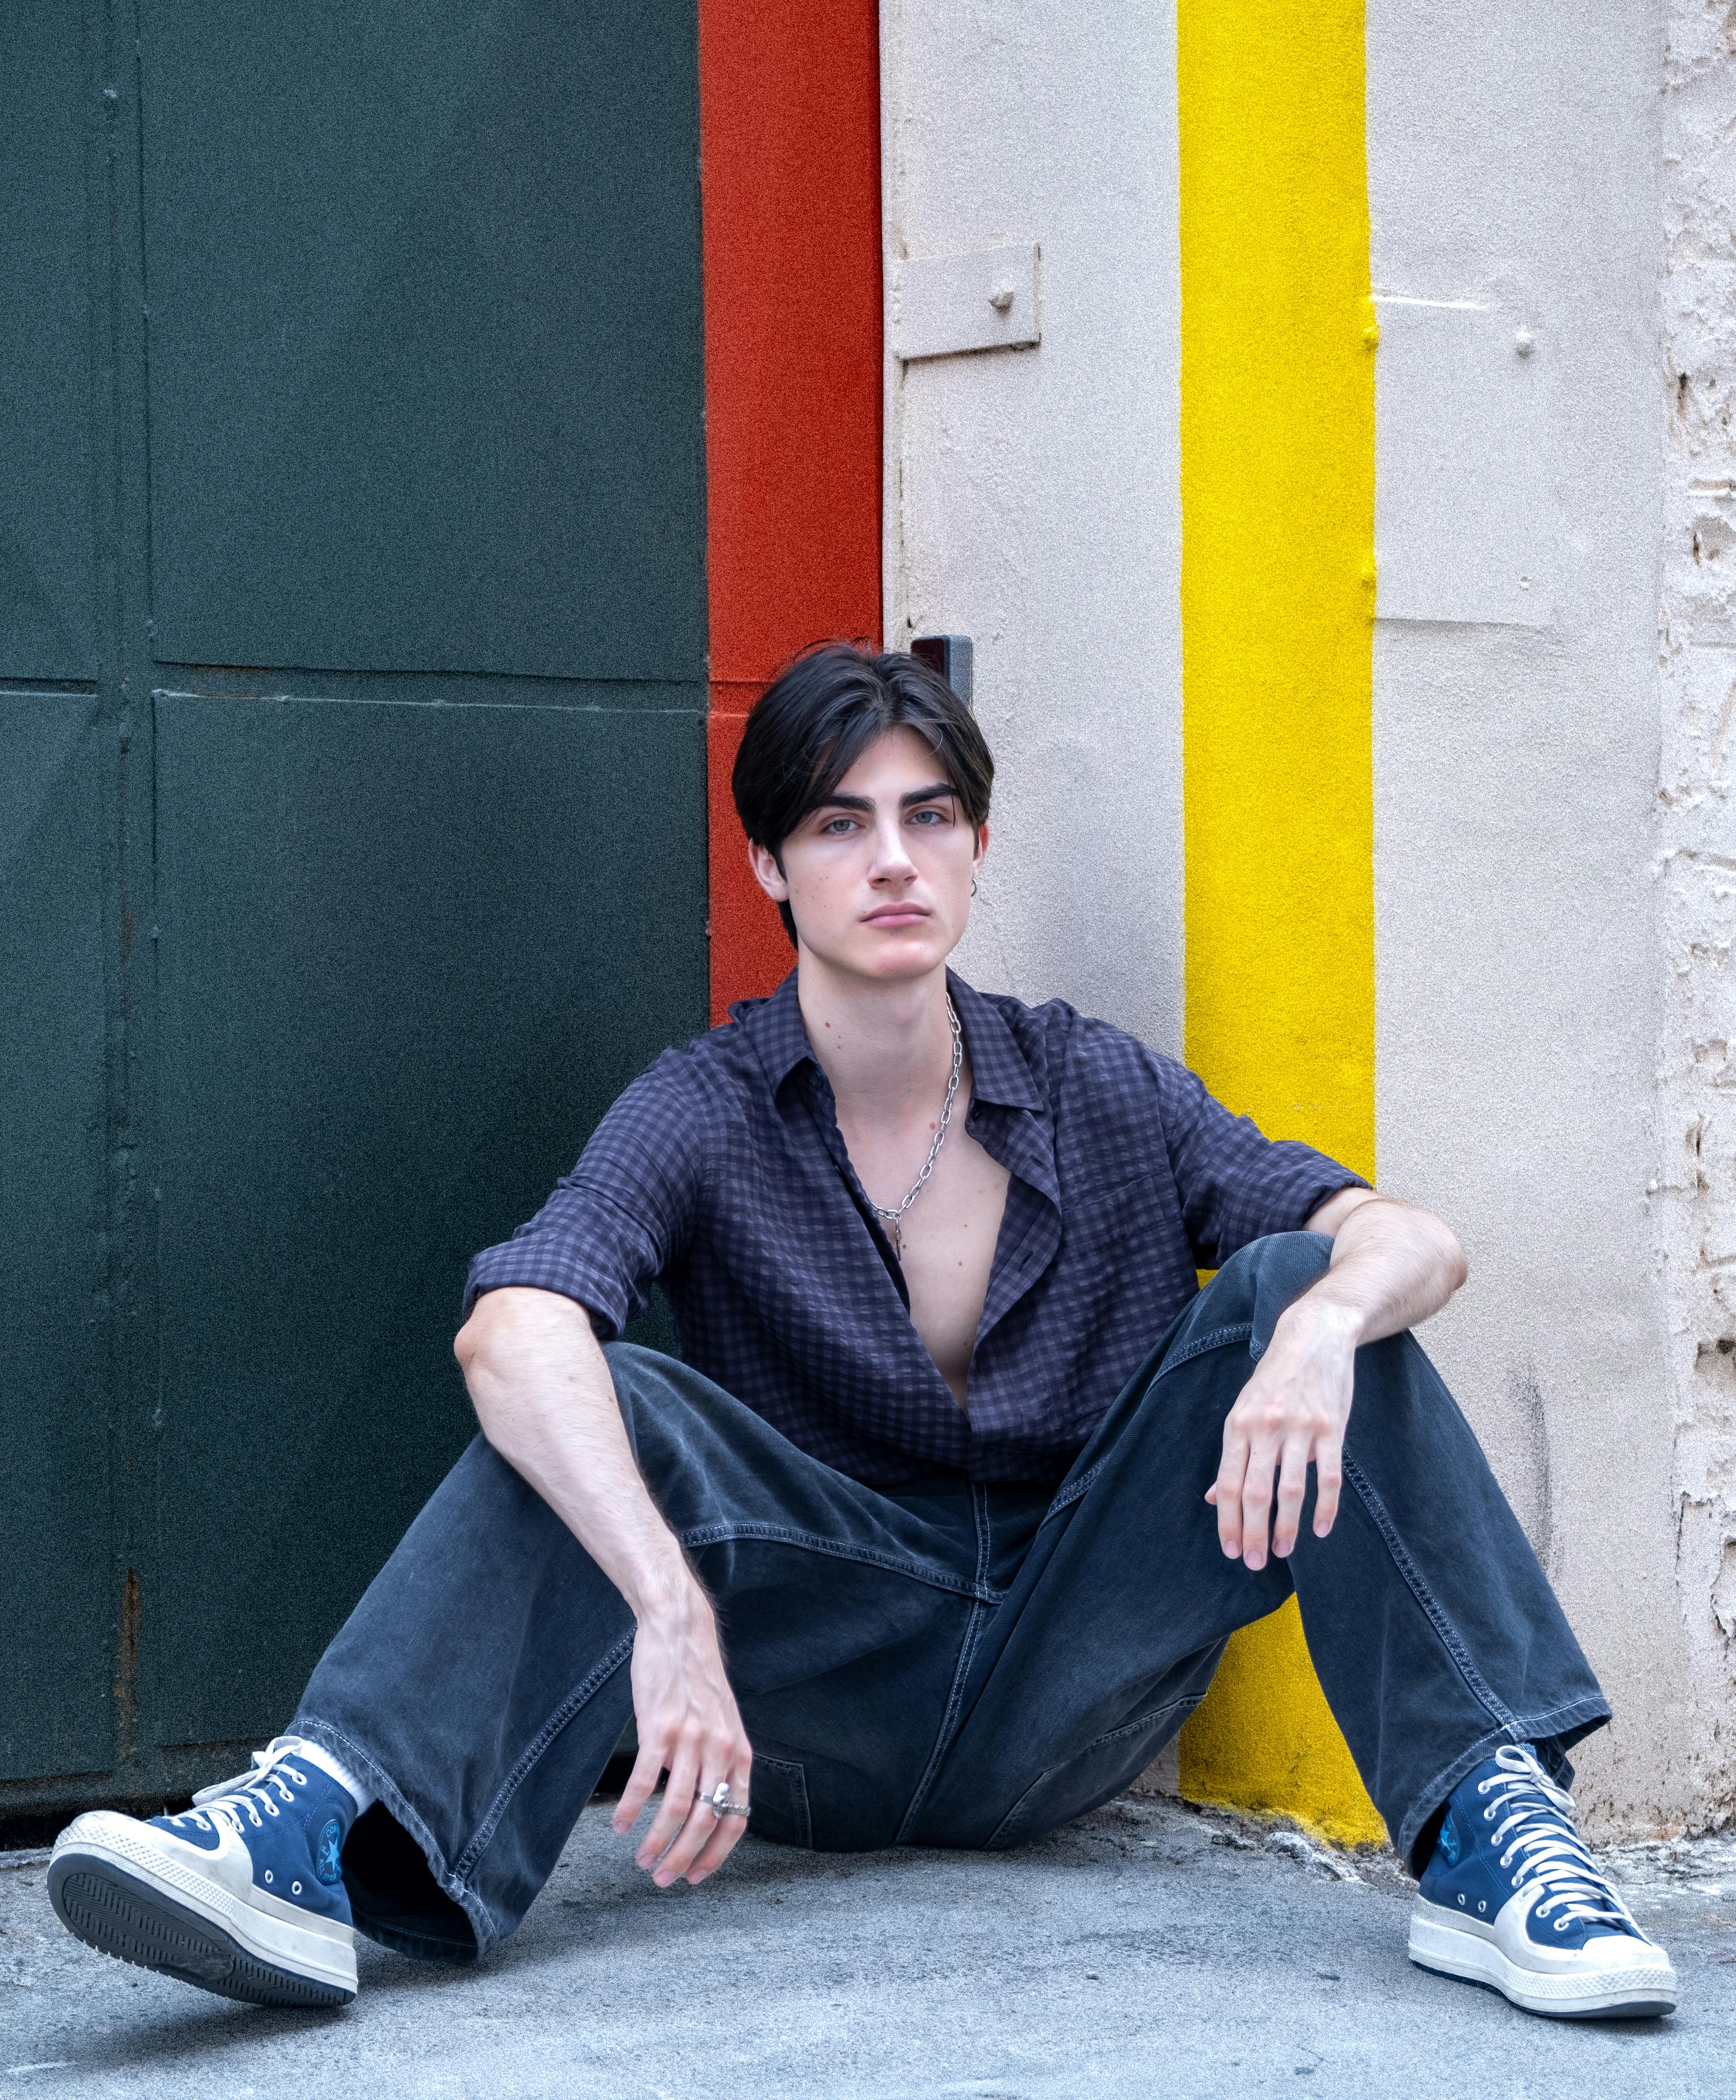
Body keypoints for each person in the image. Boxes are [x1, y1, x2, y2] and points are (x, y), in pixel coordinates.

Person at [48, 645, 1675, 2021]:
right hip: (815, 1715)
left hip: (1066, 1671)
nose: (890, 858)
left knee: (1306, 1294)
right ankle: (310, 1826)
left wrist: (1322, 1321)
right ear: (771, 866)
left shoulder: (1097, 1085)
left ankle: (1488, 1838)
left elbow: (1414, 1239)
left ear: (972, 849)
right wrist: (664, 1608)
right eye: (838, 823)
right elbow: (512, 1326)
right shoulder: (701, 1106)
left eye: (927, 815)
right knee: (598, 1387)